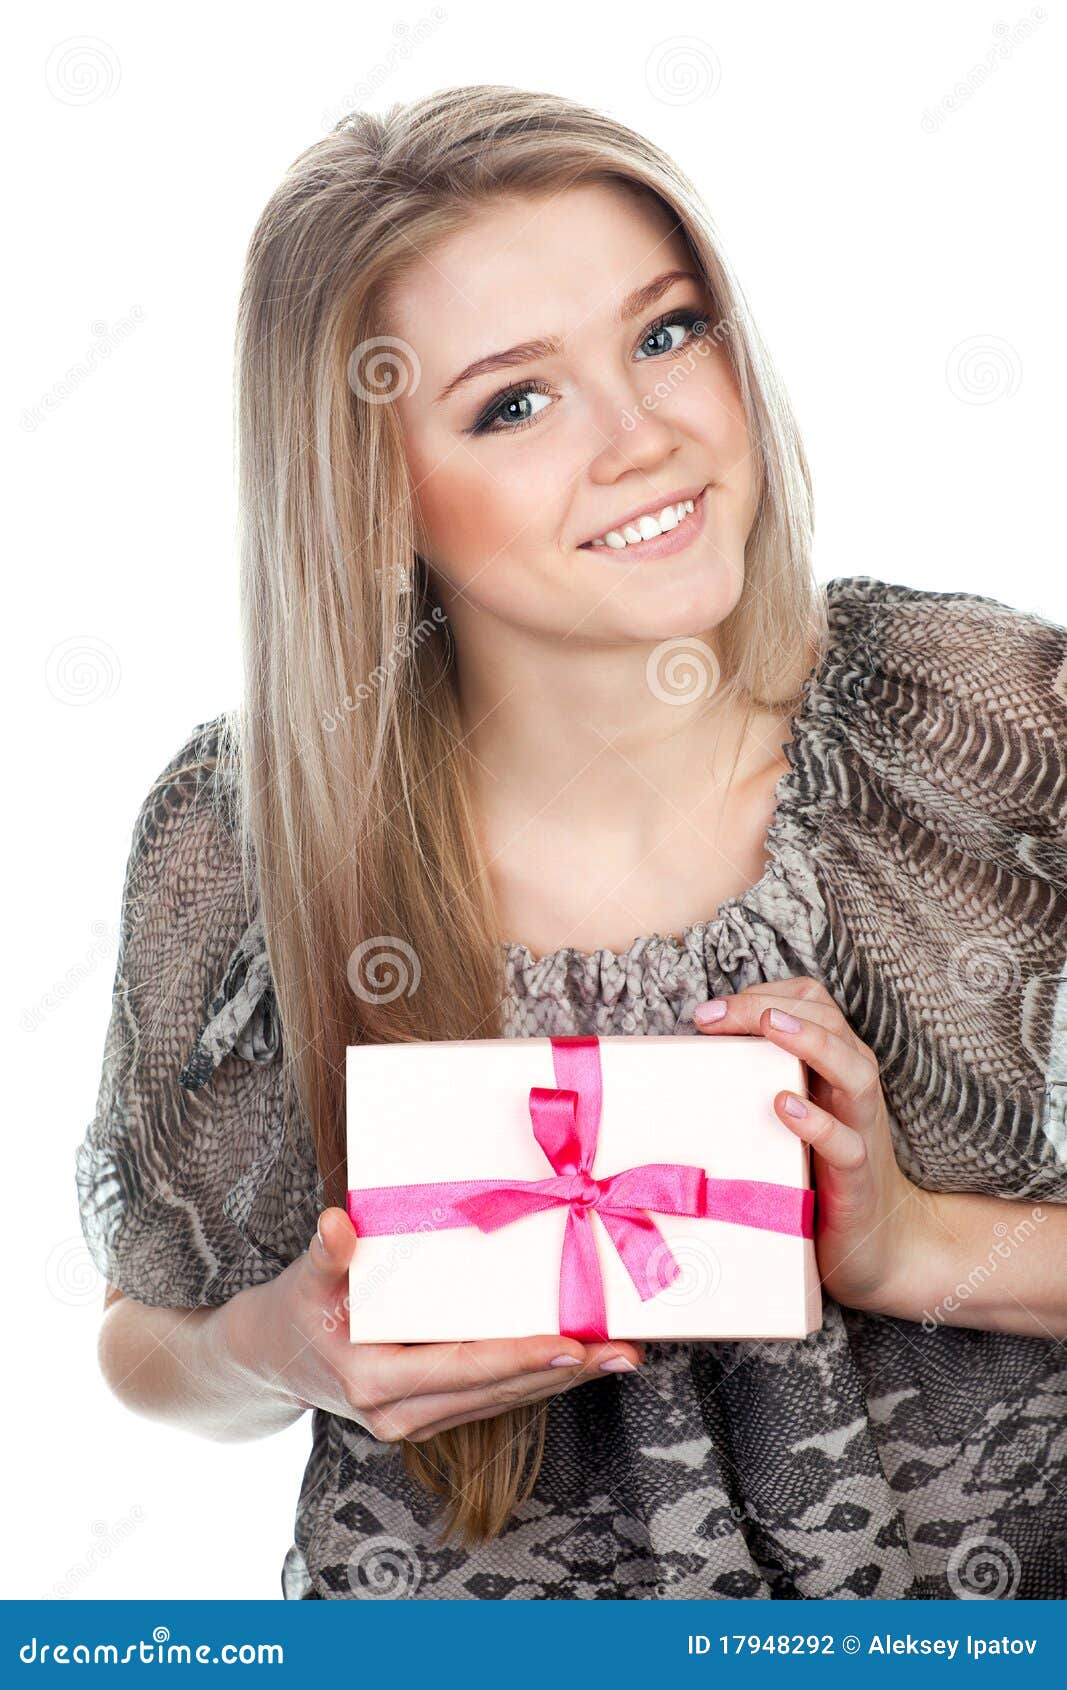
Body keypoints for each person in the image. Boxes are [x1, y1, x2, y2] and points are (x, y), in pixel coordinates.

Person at [75, 84, 1067, 1601]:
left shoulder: (987, 732)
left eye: (667, 332)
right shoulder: (245, 832)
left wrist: (917, 1243)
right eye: (514, 402)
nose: (647, 437)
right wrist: (272, 1347)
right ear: (377, 489)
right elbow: (146, 1345)